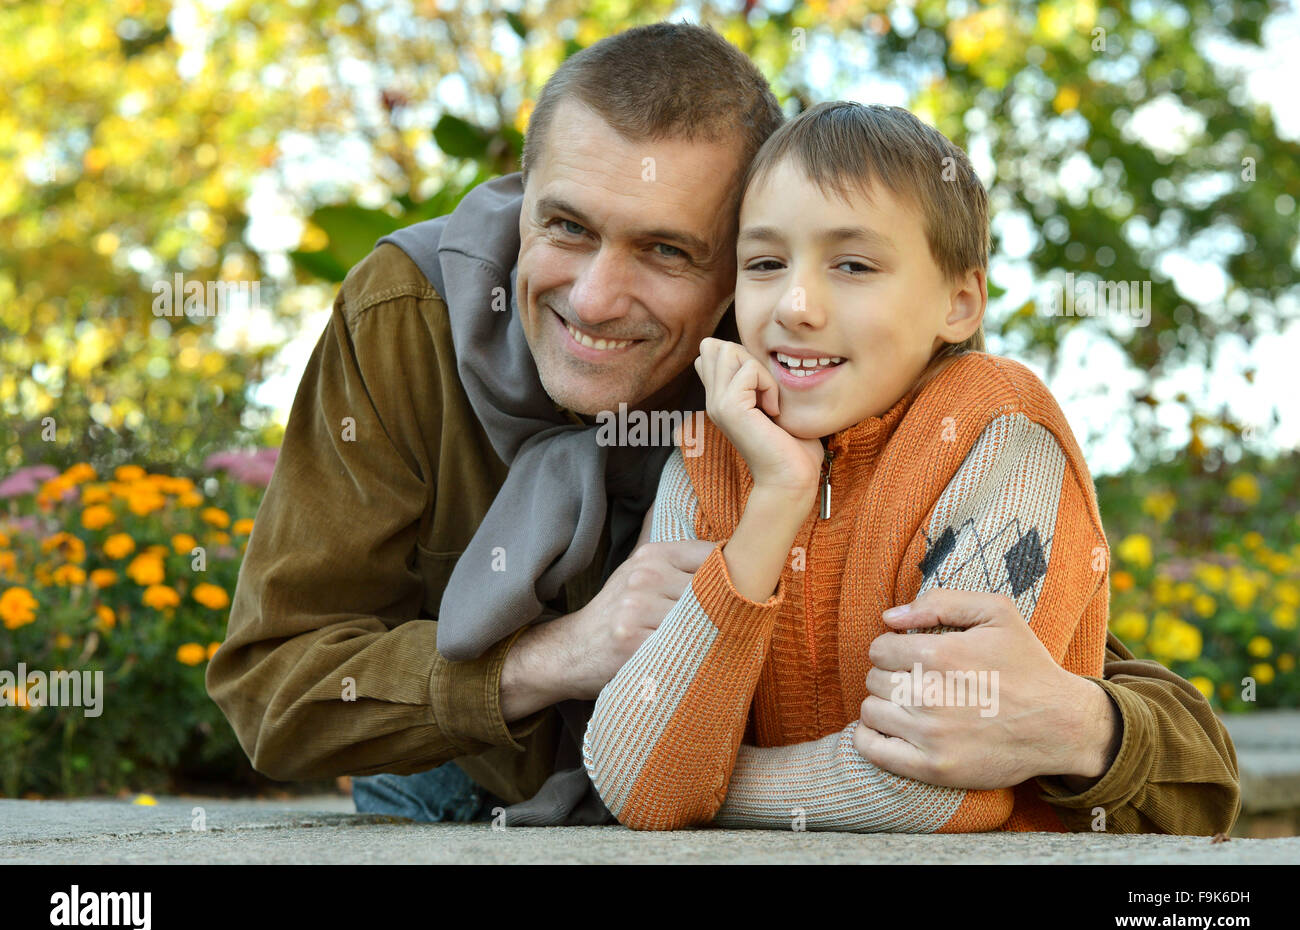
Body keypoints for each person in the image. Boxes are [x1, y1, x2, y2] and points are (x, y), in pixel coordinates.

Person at [206, 23, 1240, 834]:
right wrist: (559, 654)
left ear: (742, 259)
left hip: (737, 790)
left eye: (665, 250)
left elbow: (1099, 692)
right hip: (467, 777)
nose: (597, 297)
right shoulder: (411, 317)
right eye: (564, 225)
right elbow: (271, 686)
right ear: (523, 200)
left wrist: (1081, 726)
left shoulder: (831, 380)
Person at [584, 100, 1115, 832]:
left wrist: (701, 785)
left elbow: (932, 781)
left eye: (854, 264)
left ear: (960, 302)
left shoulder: (1001, 432)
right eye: (766, 263)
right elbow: (631, 779)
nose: (796, 306)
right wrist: (778, 492)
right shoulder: (711, 451)